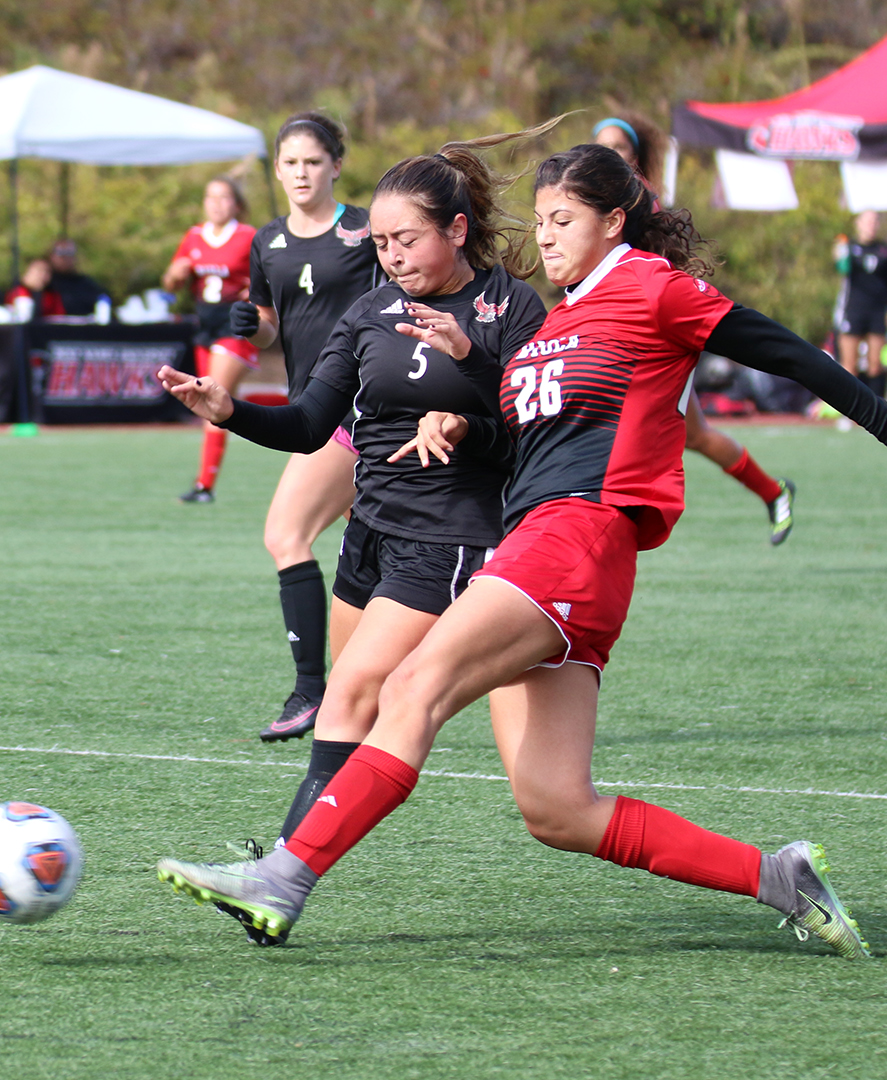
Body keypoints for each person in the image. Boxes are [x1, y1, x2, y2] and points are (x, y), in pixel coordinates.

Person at [157, 143, 887, 959]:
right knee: (556, 808)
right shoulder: (568, 316)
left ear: (614, 220)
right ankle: (780, 877)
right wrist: (465, 400)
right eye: (542, 220)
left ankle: (285, 876)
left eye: (565, 220)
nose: (546, 236)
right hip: (550, 546)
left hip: (577, 534)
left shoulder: (653, 289)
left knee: (411, 686)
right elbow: (521, 434)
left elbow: (782, 349)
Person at [160, 131, 552, 940]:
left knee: (352, 697)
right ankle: (280, 875)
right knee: (354, 704)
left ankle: (279, 876)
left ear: (454, 228)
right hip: (370, 531)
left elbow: (527, 429)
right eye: (378, 243)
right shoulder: (373, 309)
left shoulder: (511, 309)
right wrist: (231, 412)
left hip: (450, 537)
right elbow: (310, 426)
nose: (391, 257)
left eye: (405, 239)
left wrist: (467, 409)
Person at [226, 112, 383, 742]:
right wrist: (252, 326)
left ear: (336, 166)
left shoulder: (366, 230)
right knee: (379, 555)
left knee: (286, 533)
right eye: (289, 162)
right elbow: (272, 328)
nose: (300, 173)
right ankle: (376, 688)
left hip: (358, 408)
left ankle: (311, 691)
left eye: (313, 162)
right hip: (310, 409)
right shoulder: (267, 242)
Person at [594, 115, 795, 544]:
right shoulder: (587, 202)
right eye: (602, 145)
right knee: (697, 435)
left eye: (618, 146)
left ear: (635, 157)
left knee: (651, 431)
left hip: (651, 341)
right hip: (615, 336)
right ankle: (774, 491)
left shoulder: (638, 202)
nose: (610, 153)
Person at [165, 177, 259, 501]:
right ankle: (205, 484)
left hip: (234, 325)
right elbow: (171, 283)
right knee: (210, 405)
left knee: (214, 398)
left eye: (224, 197)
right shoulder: (193, 236)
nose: (216, 203)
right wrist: (176, 274)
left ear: (236, 204)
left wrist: (257, 291)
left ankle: (205, 486)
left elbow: (271, 276)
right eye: (210, 197)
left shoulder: (247, 236)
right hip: (205, 325)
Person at [834, 210, 887, 399]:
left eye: (874, 221)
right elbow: (841, 269)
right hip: (854, 310)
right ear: (858, 223)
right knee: (849, 365)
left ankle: (878, 411)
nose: (871, 225)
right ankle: (848, 412)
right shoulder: (848, 247)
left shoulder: (885, 251)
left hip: (877, 312)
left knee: (875, 364)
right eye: (867, 221)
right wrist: (840, 254)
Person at [46, 239, 109, 318]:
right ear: (51, 256)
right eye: (60, 253)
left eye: (69, 253)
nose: (65, 258)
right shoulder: (45, 283)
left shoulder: (86, 284)